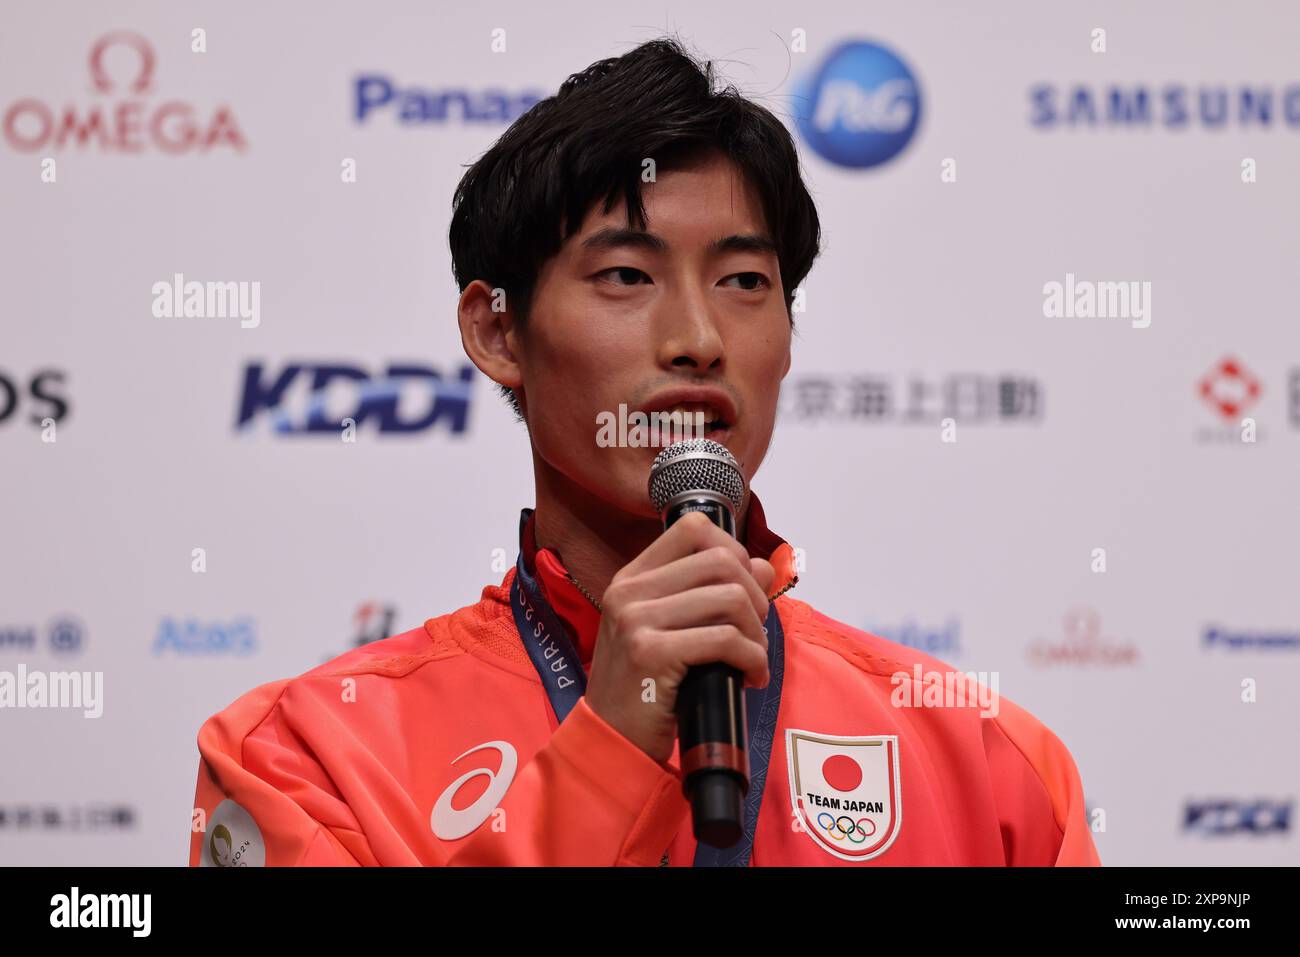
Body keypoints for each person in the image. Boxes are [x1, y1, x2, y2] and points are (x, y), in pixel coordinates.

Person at [188, 36, 1100, 867]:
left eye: (746, 280)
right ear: (497, 329)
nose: (700, 337)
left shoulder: (988, 761)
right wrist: (610, 749)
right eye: (627, 274)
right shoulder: (305, 754)